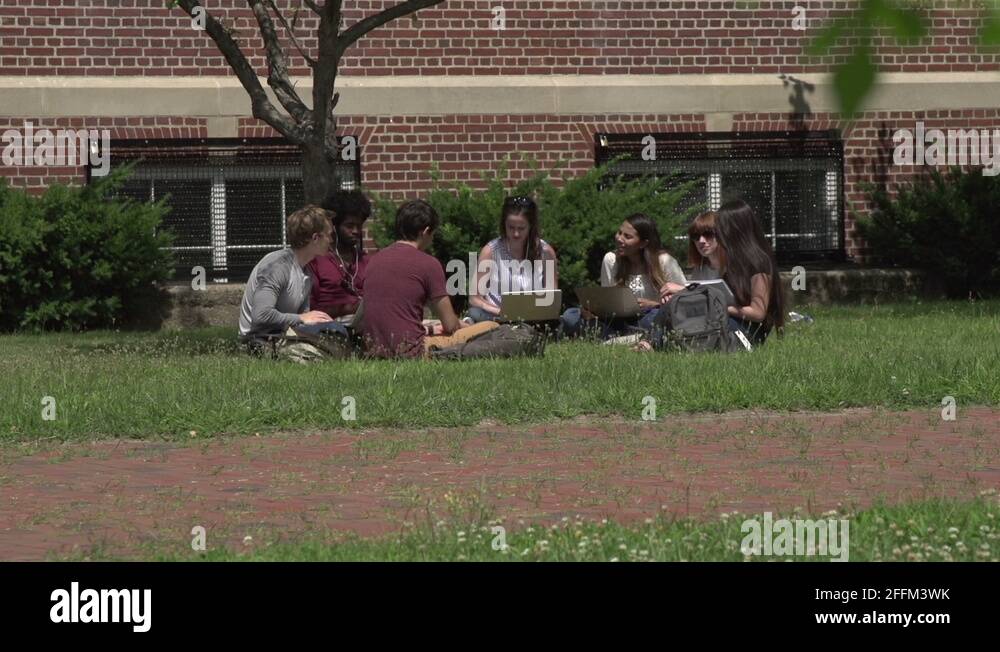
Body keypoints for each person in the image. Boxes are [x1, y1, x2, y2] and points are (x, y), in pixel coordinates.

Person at [360, 200, 498, 358]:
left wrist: (432, 328)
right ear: (425, 231)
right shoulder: (428, 264)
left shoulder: (374, 260)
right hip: (412, 351)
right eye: (432, 234)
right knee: (491, 326)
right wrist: (464, 326)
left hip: (373, 350)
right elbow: (450, 325)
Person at [654, 200, 784, 346]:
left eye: (719, 229)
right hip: (728, 320)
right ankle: (653, 342)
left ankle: (660, 342)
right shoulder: (733, 263)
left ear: (735, 229)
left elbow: (758, 313)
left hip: (747, 331)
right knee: (672, 308)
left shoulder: (758, 263)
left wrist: (717, 307)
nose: (719, 233)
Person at [238, 205, 347, 350]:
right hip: (257, 342)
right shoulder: (277, 267)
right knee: (334, 332)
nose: (331, 240)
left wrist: (313, 320)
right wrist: (302, 318)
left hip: (281, 335)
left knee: (338, 330)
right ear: (315, 238)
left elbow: (303, 320)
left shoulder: (306, 272)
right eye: (329, 235)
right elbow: (261, 315)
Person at [563, 213, 687, 338]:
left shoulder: (664, 261)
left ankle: (618, 335)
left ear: (643, 243)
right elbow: (606, 301)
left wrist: (654, 304)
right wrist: (592, 310)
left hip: (649, 316)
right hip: (617, 319)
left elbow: (685, 299)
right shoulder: (611, 259)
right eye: (619, 232)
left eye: (627, 236)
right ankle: (628, 335)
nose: (619, 238)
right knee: (570, 315)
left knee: (654, 319)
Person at [467, 195, 559, 323]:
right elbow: (474, 298)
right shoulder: (491, 251)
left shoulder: (545, 252)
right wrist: (502, 312)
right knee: (475, 313)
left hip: (533, 316)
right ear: (504, 225)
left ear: (531, 227)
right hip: (497, 314)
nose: (516, 234)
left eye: (521, 228)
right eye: (511, 227)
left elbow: (552, 296)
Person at [306, 189, 371, 326]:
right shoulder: (316, 260)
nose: (356, 231)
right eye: (349, 225)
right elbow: (309, 308)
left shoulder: (365, 261)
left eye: (359, 226)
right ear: (333, 226)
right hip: (327, 328)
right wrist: (346, 308)